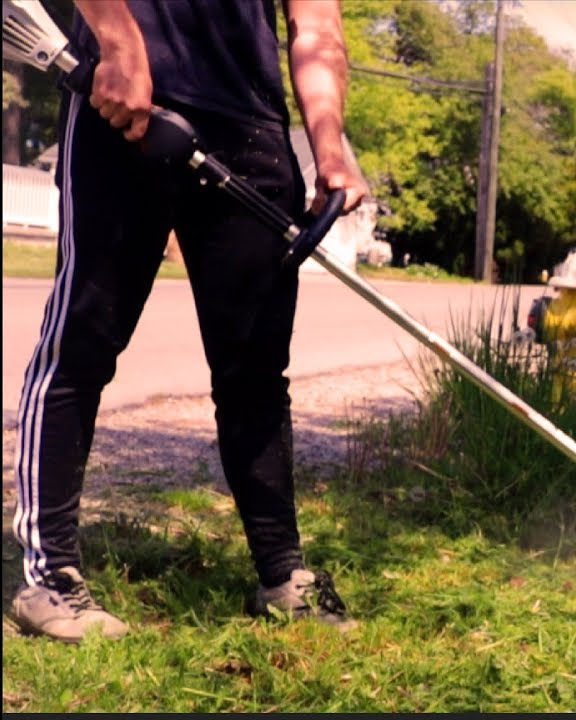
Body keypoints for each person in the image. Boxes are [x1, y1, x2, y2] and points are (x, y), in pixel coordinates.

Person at [9, 0, 369, 642]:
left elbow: (315, 28)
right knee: (81, 342)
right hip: (125, 102)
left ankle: (282, 575)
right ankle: (51, 576)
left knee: (256, 368)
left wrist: (329, 145)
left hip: (251, 126)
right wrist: (118, 45)